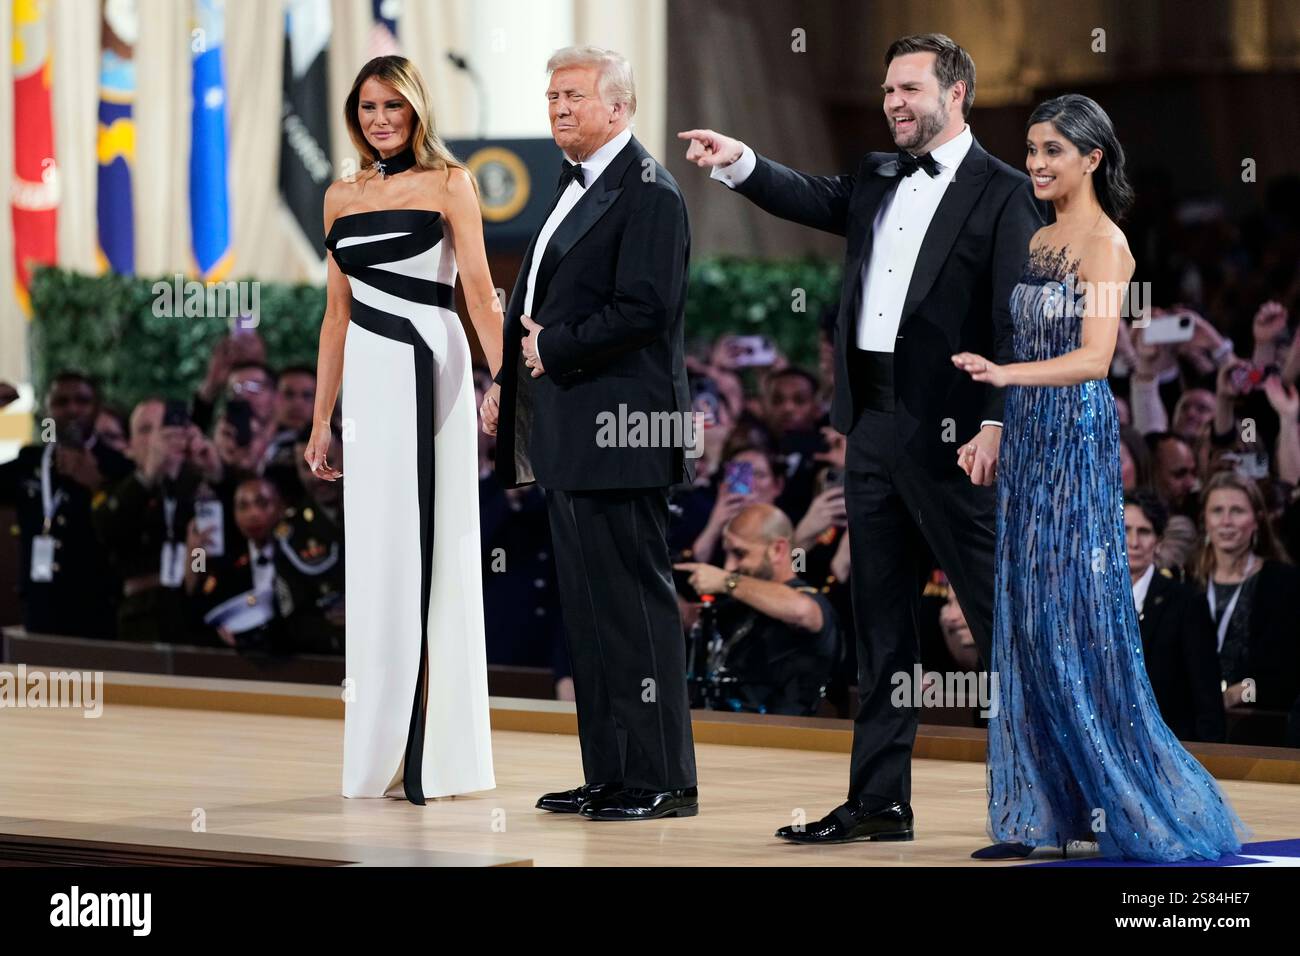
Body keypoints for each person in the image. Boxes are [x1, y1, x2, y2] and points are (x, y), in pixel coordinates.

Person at [680, 32, 1042, 843]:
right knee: (882, 627)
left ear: (957, 95)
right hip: (870, 430)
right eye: (886, 90)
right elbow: (809, 196)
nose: (892, 103)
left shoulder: (1004, 191)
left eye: (909, 89)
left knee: (997, 626)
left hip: (956, 437)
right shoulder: (880, 174)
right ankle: (880, 802)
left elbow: (1018, 317)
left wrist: (995, 422)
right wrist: (741, 161)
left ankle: (1035, 804)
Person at [952, 93, 1246, 860]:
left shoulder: (1107, 244)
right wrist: (998, 419)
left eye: (1053, 150)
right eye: (1031, 149)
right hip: (1029, 439)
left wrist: (1006, 376)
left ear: (1093, 158)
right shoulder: (1041, 236)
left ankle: (1125, 804)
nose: (1037, 163)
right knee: (1025, 620)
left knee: (1072, 620)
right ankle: (1045, 815)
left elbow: (1093, 359)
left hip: (1075, 440)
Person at [484, 45, 698, 821]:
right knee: (591, 614)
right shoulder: (575, 187)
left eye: (573, 95)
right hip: (572, 432)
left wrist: (549, 348)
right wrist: (510, 384)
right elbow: (538, 303)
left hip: (623, 432)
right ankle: (611, 772)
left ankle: (663, 779)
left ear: (619, 107)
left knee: (636, 612)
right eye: (551, 96)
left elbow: (645, 308)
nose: (558, 108)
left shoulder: (651, 192)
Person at [304, 55, 500, 804]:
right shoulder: (338, 196)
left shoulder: (452, 182)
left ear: (417, 111)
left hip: (432, 366)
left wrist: (502, 381)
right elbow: (335, 315)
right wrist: (321, 419)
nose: (379, 120)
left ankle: (441, 754)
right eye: (367, 108)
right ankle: (381, 743)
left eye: (392, 106)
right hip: (370, 376)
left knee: (437, 543)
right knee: (379, 551)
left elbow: (479, 294)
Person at [0, 372, 133, 638]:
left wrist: (97, 487)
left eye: (82, 401)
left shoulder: (117, 466)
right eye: (61, 402)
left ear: (96, 408)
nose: (72, 409)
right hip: (39, 612)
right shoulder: (30, 462)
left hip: (99, 614)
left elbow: (130, 528)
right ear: (48, 409)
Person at [675, 503, 840, 716]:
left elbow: (801, 610)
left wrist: (727, 581)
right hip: (721, 732)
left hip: (784, 740)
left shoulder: (805, 600)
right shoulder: (739, 603)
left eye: (739, 553)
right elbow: (692, 617)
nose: (730, 566)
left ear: (777, 549)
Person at [1125, 493, 1225, 742]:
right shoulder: (1093, 604)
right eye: (1125, 530)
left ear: (1158, 541)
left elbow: (1207, 701)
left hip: (1170, 752)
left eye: (1144, 532)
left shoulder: (1186, 603)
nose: (1133, 542)